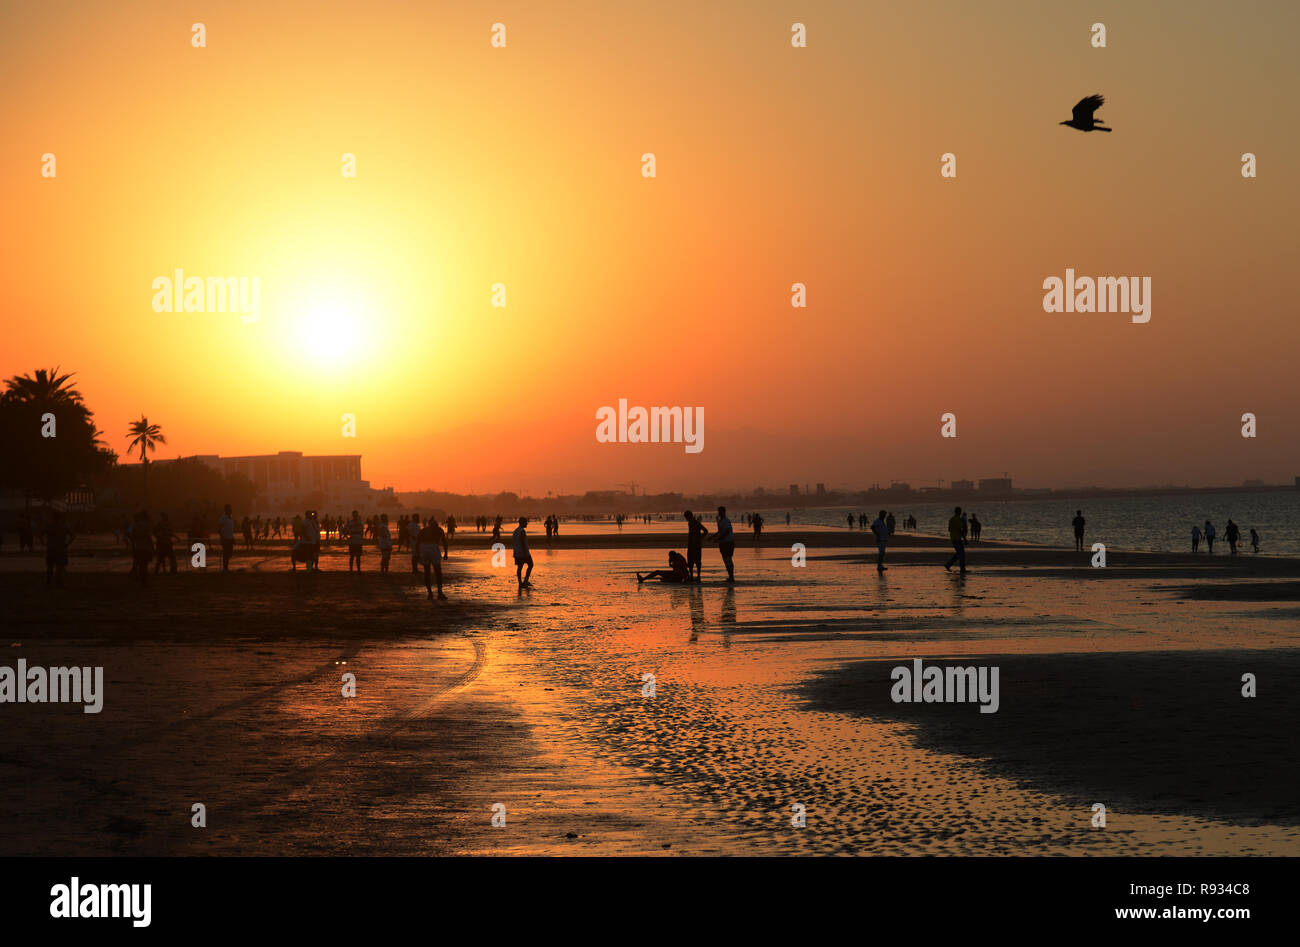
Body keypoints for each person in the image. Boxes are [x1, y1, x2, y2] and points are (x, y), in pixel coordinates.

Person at [42, 511, 75, 587]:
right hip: (61, 548)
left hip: (50, 548)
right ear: (60, 518)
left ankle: (48, 582)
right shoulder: (64, 526)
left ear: (53, 517)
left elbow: (40, 534)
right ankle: (59, 582)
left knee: (50, 566)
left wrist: (43, 543)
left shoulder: (48, 526)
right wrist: (67, 544)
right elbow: (73, 536)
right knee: (60, 566)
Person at [417, 518, 447, 600]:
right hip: (433, 547)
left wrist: (418, 555)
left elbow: (418, 542)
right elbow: (444, 542)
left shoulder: (423, 530)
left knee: (427, 571)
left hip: (424, 548)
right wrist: (446, 553)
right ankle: (439, 593)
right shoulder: (439, 530)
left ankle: (430, 593)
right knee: (437, 571)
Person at [684, 510, 709, 582]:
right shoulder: (690, 523)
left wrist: (699, 538)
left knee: (697, 560)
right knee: (690, 561)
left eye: (686, 517)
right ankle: (692, 576)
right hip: (691, 544)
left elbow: (706, 531)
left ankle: (698, 576)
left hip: (696, 545)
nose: (686, 519)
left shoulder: (696, 523)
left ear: (689, 516)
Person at [130, 511, 154, 584]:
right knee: (144, 565)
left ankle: (140, 578)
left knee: (140, 564)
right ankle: (143, 580)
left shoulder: (134, 525)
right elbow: (148, 536)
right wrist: (152, 547)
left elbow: (131, 535)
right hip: (145, 547)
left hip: (137, 547)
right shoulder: (146, 525)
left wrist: (133, 543)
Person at [714, 506, 735, 583]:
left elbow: (726, 532)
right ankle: (730, 576)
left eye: (720, 511)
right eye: (718, 511)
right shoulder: (720, 521)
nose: (719, 513)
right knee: (726, 560)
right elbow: (720, 531)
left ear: (724, 512)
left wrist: (718, 539)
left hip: (728, 542)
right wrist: (713, 536)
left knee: (728, 559)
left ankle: (731, 576)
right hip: (723, 543)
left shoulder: (726, 521)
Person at [944, 506, 967, 573]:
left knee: (959, 553)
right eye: (960, 511)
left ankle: (948, 564)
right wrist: (965, 538)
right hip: (957, 539)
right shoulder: (957, 519)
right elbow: (960, 530)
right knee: (961, 554)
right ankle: (962, 569)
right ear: (958, 512)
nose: (960, 513)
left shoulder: (951, 519)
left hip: (953, 538)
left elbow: (949, 529)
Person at [513, 517, 534, 589]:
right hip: (523, 553)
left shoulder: (515, 531)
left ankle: (520, 583)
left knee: (519, 568)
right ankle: (525, 580)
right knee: (531, 564)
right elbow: (523, 542)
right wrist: (526, 553)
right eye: (525, 522)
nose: (527, 523)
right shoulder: (522, 531)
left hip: (517, 552)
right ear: (522, 523)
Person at [218, 504, 236, 571]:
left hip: (230, 538)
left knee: (230, 553)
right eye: (229, 508)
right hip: (225, 539)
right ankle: (225, 568)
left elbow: (230, 529)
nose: (230, 510)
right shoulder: (223, 518)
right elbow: (219, 528)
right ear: (226, 510)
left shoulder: (231, 517)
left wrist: (233, 538)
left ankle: (226, 567)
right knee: (226, 553)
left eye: (230, 508)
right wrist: (222, 538)